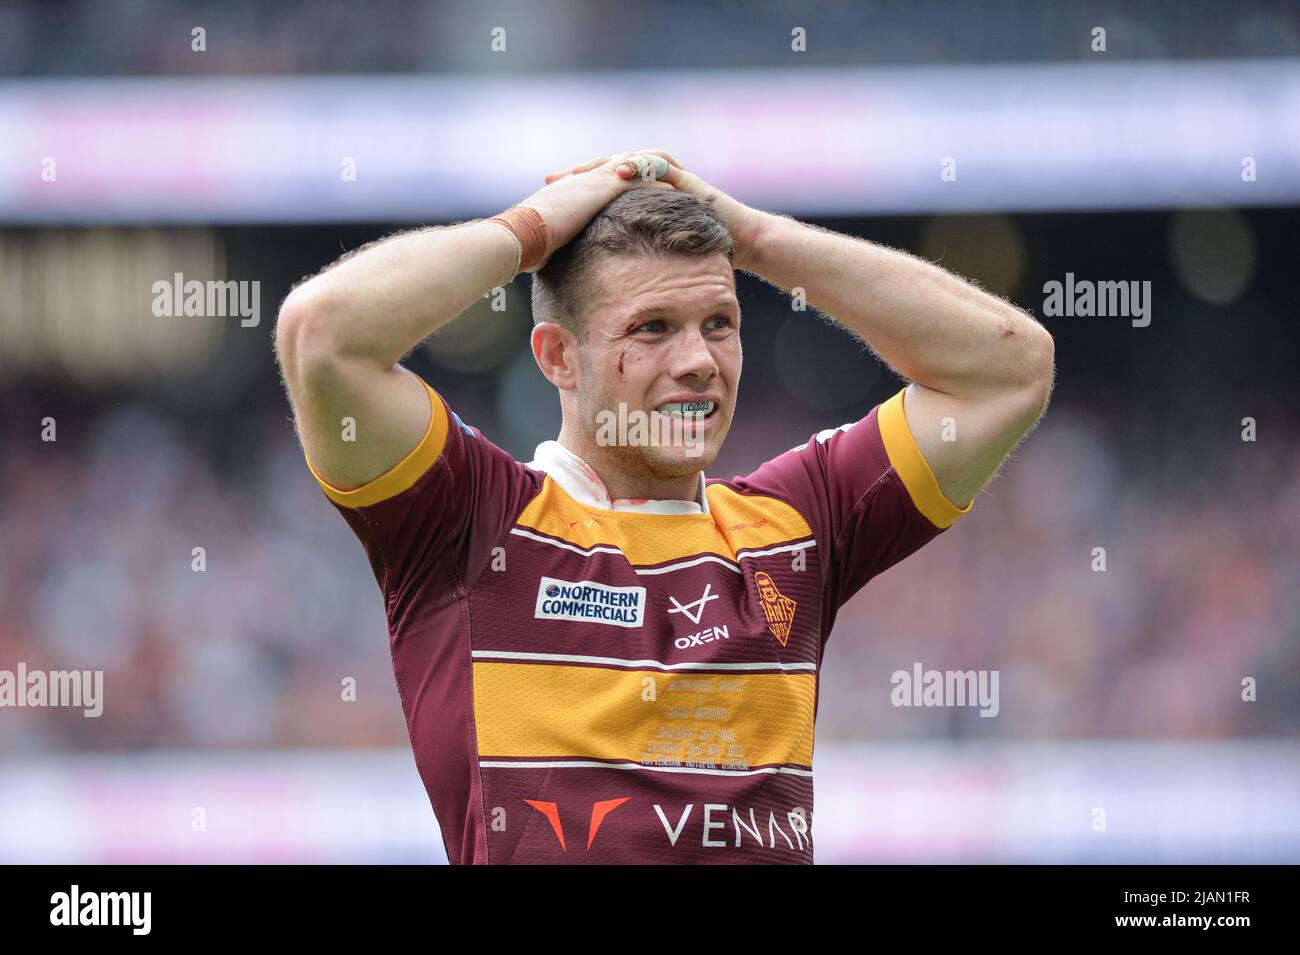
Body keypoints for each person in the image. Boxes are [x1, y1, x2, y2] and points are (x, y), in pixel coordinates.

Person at [274, 149, 1055, 864]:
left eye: (720, 324)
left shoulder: (798, 522)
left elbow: (1009, 368)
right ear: (557, 357)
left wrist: (758, 240)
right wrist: (529, 231)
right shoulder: (471, 522)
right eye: (652, 329)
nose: (697, 362)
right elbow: (322, 334)